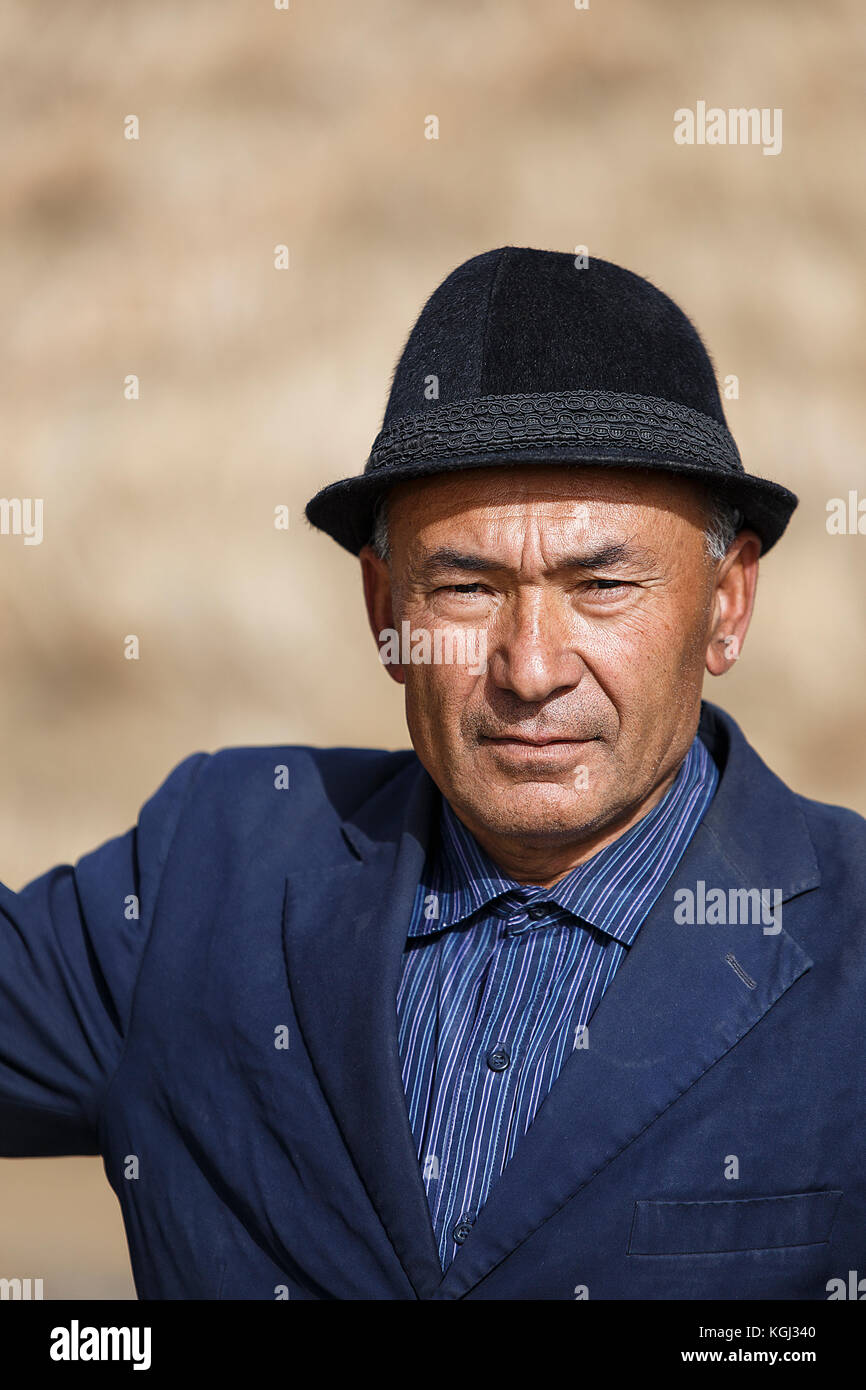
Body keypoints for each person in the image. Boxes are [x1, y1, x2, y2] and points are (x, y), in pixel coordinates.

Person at [1, 248, 862, 1300]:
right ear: (382, 610)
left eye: (599, 584)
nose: (530, 667)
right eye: (463, 587)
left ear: (725, 603)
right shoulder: (201, 872)